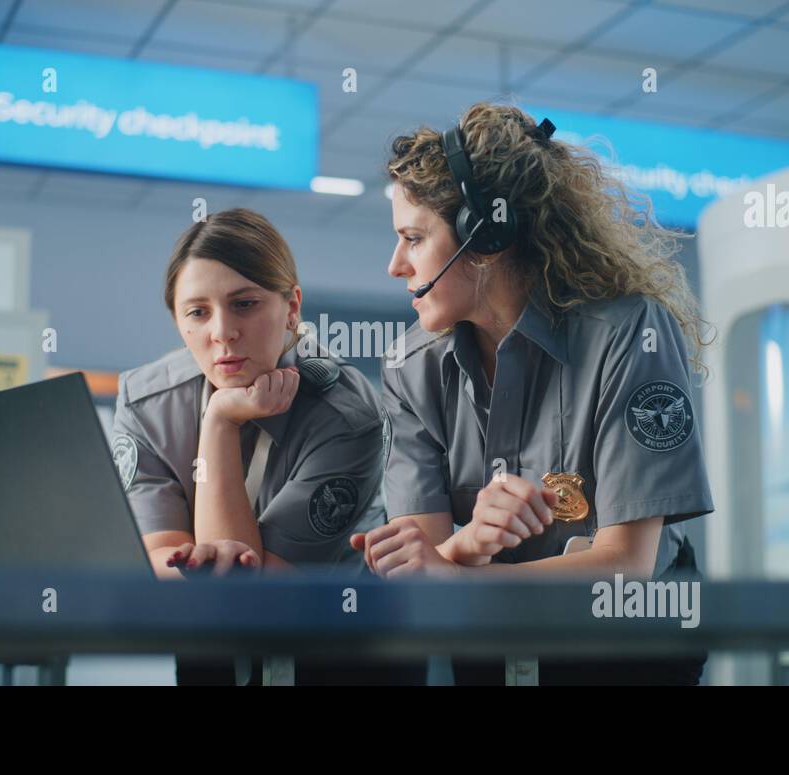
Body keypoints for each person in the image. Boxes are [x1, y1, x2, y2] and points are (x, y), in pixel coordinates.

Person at [354, 102, 715, 685]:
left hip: (627, 658)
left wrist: (456, 573)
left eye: (413, 238)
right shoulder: (409, 366)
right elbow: (424, 568)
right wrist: (463, 547)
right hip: (492, 652)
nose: (396, 265)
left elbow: (625, 569)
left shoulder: (629, 332)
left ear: (485, 236)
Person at [112, 207, 417, 684]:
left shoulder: (345, 415)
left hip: (339, 651)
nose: (222, 333)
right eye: (197, 312)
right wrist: (221, 418)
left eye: (245, 304)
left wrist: (217, 423)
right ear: (178, 321)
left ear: (292, 307)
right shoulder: (149, 403)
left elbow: (256, 596)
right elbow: (163, 560)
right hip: (209, 648)